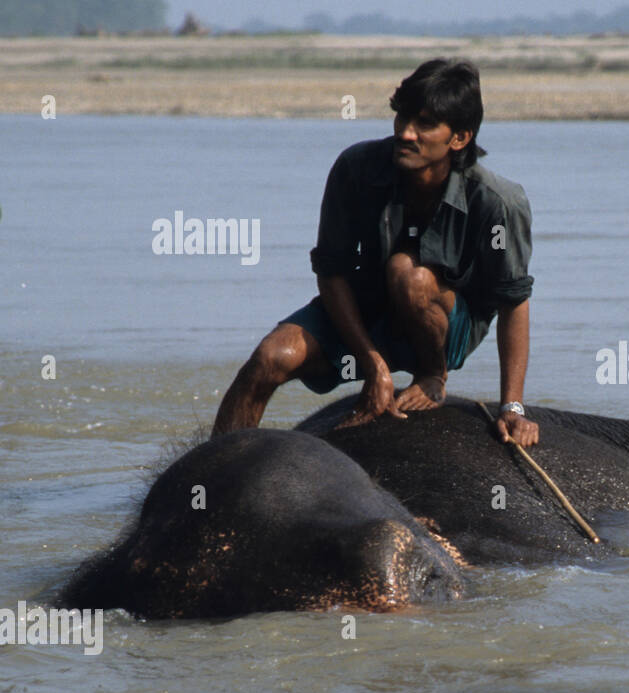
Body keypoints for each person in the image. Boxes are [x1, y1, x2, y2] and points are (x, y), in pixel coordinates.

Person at [212, 58, 540, 447]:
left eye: (424, 124)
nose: (406, 133)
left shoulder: (499, 202)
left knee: (408, 272)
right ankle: (214, 474)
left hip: (444, 325)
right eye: (402, 118)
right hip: (363, 312)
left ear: (460, 138)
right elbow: (331, 272)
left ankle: (432, 375)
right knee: (270, 357)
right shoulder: (356, 170)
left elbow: (513, 301)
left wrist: (513, 406)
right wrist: (372, 364)